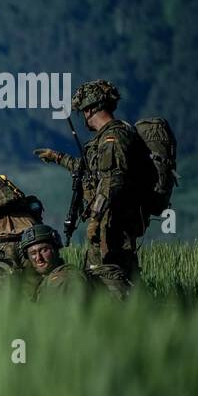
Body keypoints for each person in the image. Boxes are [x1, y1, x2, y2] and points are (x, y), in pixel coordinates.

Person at [34, 79, 154, 289]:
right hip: (109, 225)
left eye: (83, 111)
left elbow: (111, 181)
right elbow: (88, 170)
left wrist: (96, 219)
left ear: (90, 108)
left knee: (104, 280)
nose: (83, 118)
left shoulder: (113, 138)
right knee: (109, 279)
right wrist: (56, 157)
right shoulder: (106, 139)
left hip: (112, 227)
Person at [17, 223, 94, 302]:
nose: (39, 258)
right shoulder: (40, 283)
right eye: (33, 253)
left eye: (44, 250)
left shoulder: (64, 279)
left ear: (56, 249)